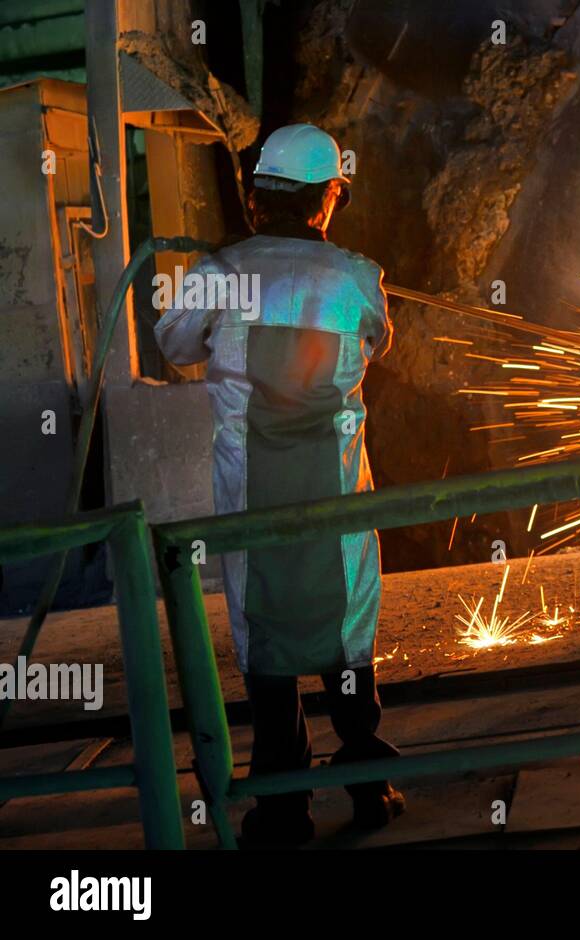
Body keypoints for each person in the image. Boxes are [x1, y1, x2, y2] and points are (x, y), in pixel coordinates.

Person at [154, 123, 403, 847]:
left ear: (258, 198)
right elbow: (376, 339)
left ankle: (282, 808)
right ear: (325, 201)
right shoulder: (357, 276)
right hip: (335, 498)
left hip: (250, 503)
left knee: (265, 642)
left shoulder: (217, 274)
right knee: (346, 640)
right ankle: (367, 783)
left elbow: (173, 345)